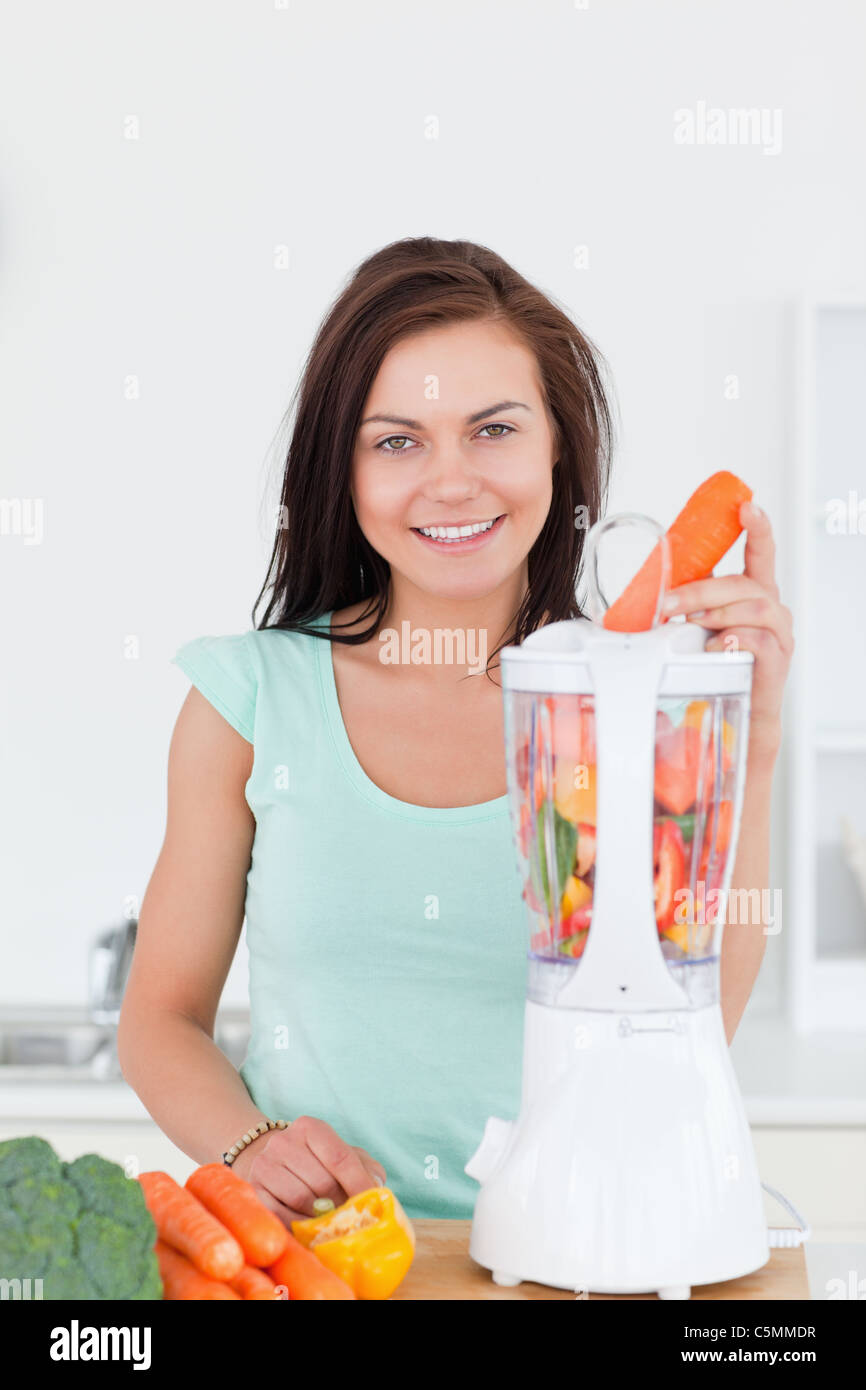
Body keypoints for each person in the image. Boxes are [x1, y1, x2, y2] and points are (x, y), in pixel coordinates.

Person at [117, 237, 794, 1225]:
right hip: (332, 1267)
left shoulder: (634, 702)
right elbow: (158, 1019)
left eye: (492, 430)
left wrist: (754, 737)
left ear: (556, 444)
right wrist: (252, 1144)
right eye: (396, 440)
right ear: (340, 471)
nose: (451, 481)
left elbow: (693, 1028)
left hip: (572, 1254)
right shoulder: (250, 701)